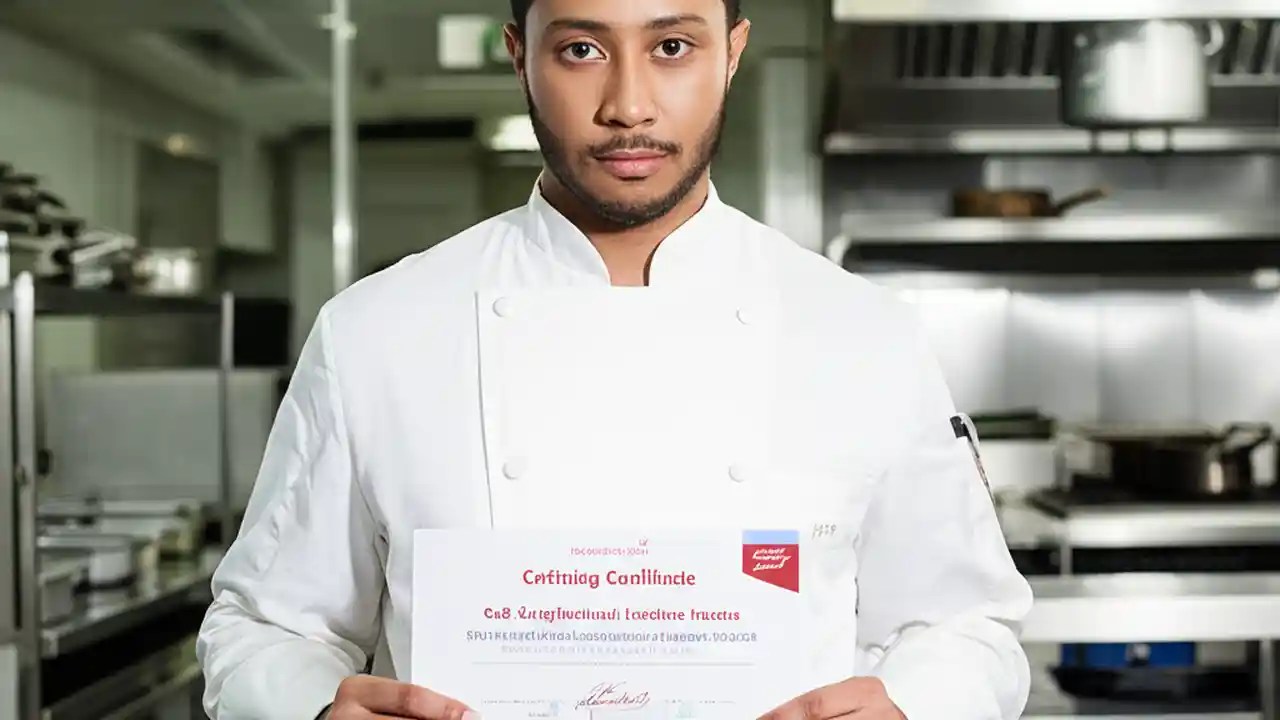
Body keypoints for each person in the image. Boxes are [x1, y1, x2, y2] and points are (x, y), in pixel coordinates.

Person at [196, 0, 1034, 718]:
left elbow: (966, 624)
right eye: (581, 50)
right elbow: (265, 626)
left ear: (731, 54)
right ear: (520, 55)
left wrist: (914, 704)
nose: (629, 105)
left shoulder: (864, 332)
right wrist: (309, 705)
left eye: (672, 46)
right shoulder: (376, 331)